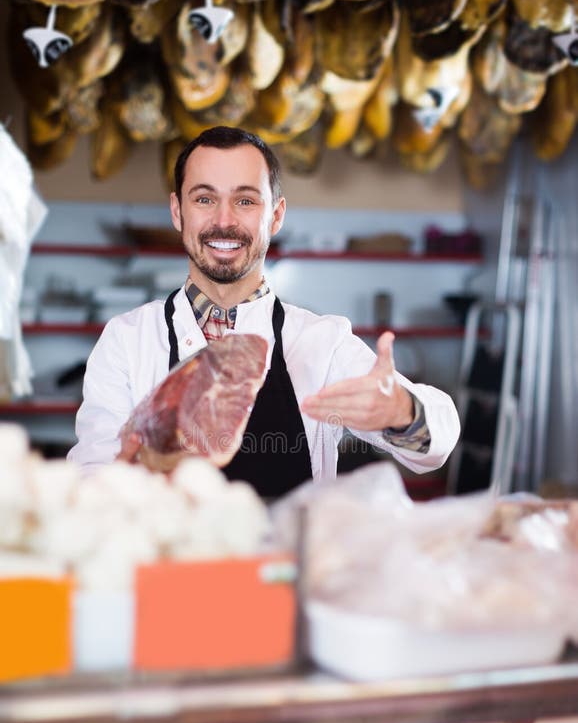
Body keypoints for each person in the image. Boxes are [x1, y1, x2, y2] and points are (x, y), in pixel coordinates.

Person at [68, 126, 460, 497]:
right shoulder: (127, 338)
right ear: (177, 212)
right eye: (204, 199)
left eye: (245, 200)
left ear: (275, 215)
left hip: (285, 567)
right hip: (165, 566)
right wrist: (116, 479)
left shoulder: (321, 343)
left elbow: (438, 440)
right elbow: (91, 472)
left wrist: (401, 411)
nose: (224, 221)